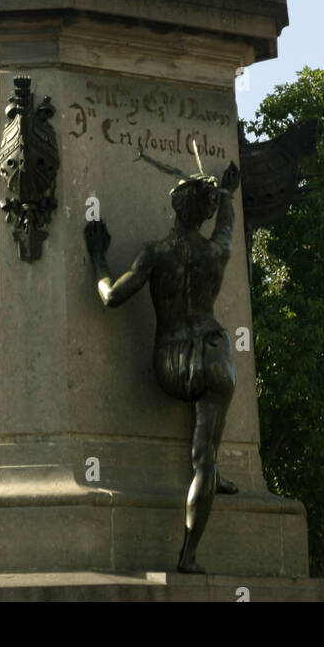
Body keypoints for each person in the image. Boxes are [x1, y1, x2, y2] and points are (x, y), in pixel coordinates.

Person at [84, 157, 242, 573]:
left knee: (205, 446)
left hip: (169, 364)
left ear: (175, 209)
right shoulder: (216, 253)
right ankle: (189, 553)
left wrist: (98, 258)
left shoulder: (156, 254)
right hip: (212, 356)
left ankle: (212, 473)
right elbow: (226, 224)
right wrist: (226, 193)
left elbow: (111, 297)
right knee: (202, 456)